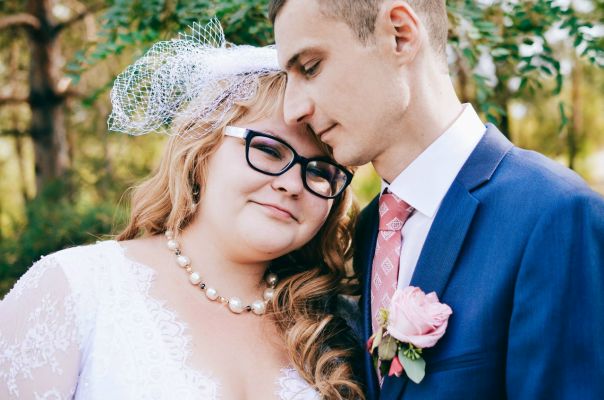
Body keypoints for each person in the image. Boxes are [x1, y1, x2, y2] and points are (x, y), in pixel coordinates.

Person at [0, 20, 364, 400]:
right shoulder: (73, 289)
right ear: (202, 150)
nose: (292, 184)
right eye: (268, 150)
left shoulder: (342, 326)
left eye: (320, 171)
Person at [269, 0, 604, 399]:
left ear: (400, 35)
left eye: (310, 67)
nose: (293, 111)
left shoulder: (555, 214)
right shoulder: (371, 227)